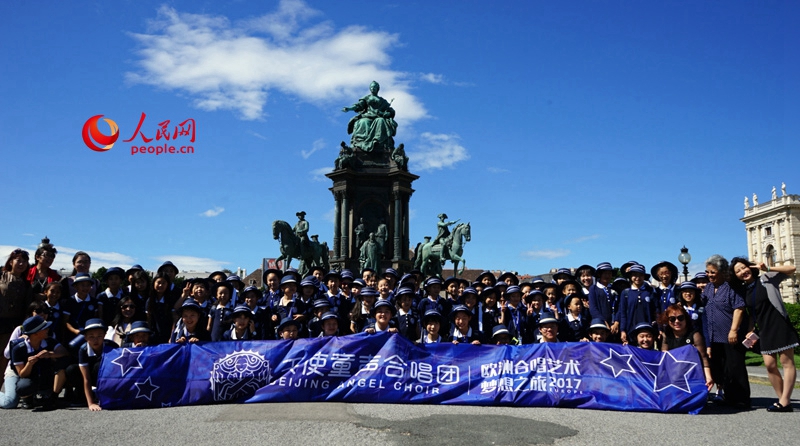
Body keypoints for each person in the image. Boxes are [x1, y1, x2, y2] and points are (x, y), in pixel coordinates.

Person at [730, 257, 798, 412]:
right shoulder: (744, 290)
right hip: (764, 329)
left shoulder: (767, 278)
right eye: (738, 271)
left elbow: (792, 269)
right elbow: (752, 313)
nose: (742, 272)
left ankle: (784, 401)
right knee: (770, 365)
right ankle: (782, 400)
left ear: (750, 267)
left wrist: (768, 268)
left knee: (787, 363)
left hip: (779, 324)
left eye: (744, 267)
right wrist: (750, 329)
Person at [702, 254, 750, 408]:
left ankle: (741, 399)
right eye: (708, 272)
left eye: (713, 272)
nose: (709, 275)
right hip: (714, 336)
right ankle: (727, 396)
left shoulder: (730, 287)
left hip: (730, 335)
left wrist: (733, 330)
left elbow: (739, 308)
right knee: (721, 367)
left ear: (722, 272)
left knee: (735, 366)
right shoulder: (708, 288)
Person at [9, 315, 68, 410]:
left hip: (45, 377)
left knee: (63, 362)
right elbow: (22, 374)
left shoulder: (49, 341)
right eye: (44, 328)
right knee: (22, 388)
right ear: (35, 333)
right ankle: (27, 398)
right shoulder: (18, 348)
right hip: (30, 378)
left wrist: (50, 354)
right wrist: (29, 364)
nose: (47, 329)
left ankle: (52, 397)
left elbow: (64, 352)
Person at [659, 304, 714, 391]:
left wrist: (708, 377)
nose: (677, 321)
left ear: (686, 319)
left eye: (680, 318)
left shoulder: (695, 335)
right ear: (667, 321)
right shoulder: (666, 335)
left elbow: (703, 358)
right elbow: (663, 357)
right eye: (672, 319)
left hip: (692, 375)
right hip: (674, 375)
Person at [1, 249, 32, 389]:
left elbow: (27, 307)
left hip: (13, 325)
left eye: (24, 261)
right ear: (11, 262)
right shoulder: (1, 276)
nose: (21, 264)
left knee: (4, 357)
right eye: (18, 260)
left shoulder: (26, 284)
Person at [341, 80, 398, 152]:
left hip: (378, 117)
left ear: (378, 89)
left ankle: (377, 141)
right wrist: (349, 108)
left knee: (381, 121)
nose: (373, 88)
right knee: (363, 122)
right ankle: (361, 142)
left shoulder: (383, 101)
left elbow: (390, 110)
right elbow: (358, 105)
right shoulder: (366, 98)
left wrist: (387, 114)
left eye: (374, 87)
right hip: (367, 116)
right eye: (371, 87)